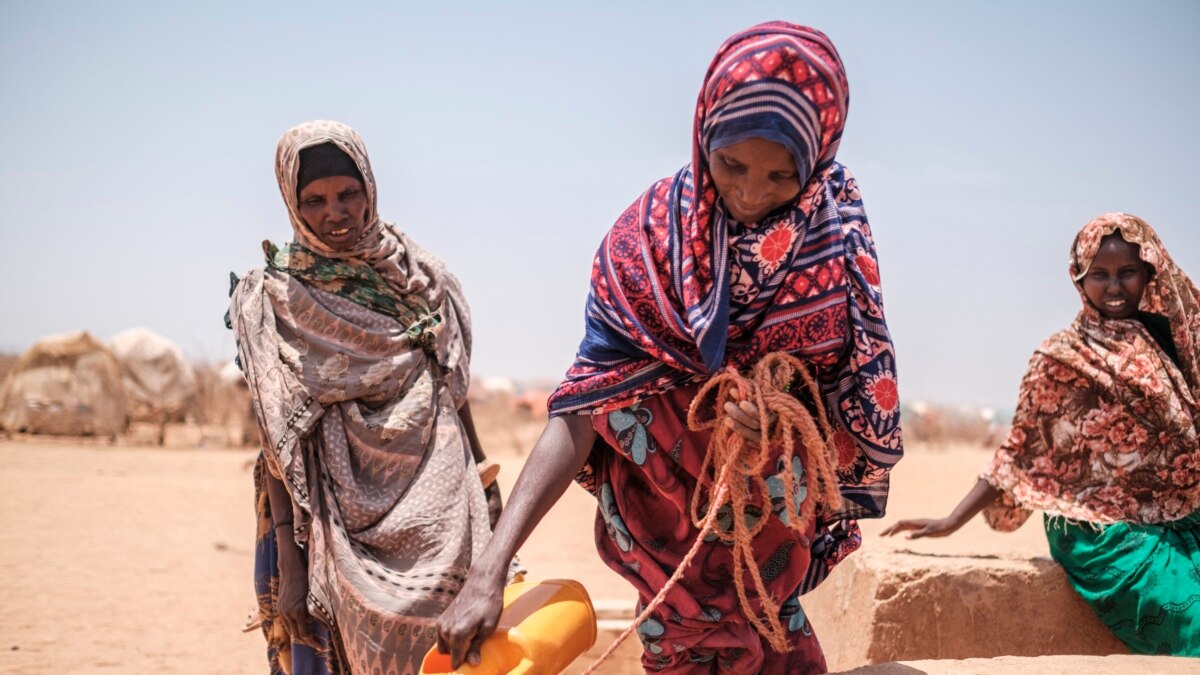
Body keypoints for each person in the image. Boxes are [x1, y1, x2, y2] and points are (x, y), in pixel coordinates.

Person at [437, 22, 902, 674]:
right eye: (731, 164)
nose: (749, 193)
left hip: (765, 525)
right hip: (663, 525)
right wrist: (487, 570)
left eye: (781, 176)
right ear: (702, 131)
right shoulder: (646, 244)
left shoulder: (832, 243)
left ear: (818, 160)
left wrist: (783, 415)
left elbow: (847, 400)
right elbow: (581, 411)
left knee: (768, 631)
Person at [228, 120, 508, 675]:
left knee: (456, 645)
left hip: (442, 504)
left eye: (348, 193)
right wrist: (290, 558)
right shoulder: (275, 299)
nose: (335, 211)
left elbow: (451, 386)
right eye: (315, 200)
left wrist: (486, 481)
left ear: (370, 189)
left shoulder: (422, 276)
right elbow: (279, 442)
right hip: (331, 518)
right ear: (292, 202)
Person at [882, 213, 1200, 656]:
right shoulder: (1062, 357)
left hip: (1182, 514)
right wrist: (951, 521)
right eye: (1099, 275)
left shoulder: (1175, 338)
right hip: (1100, 531)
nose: (1113, 287)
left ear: (1150, 271)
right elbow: (1020, 454)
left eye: (1127, 272)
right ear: (1078, 277)